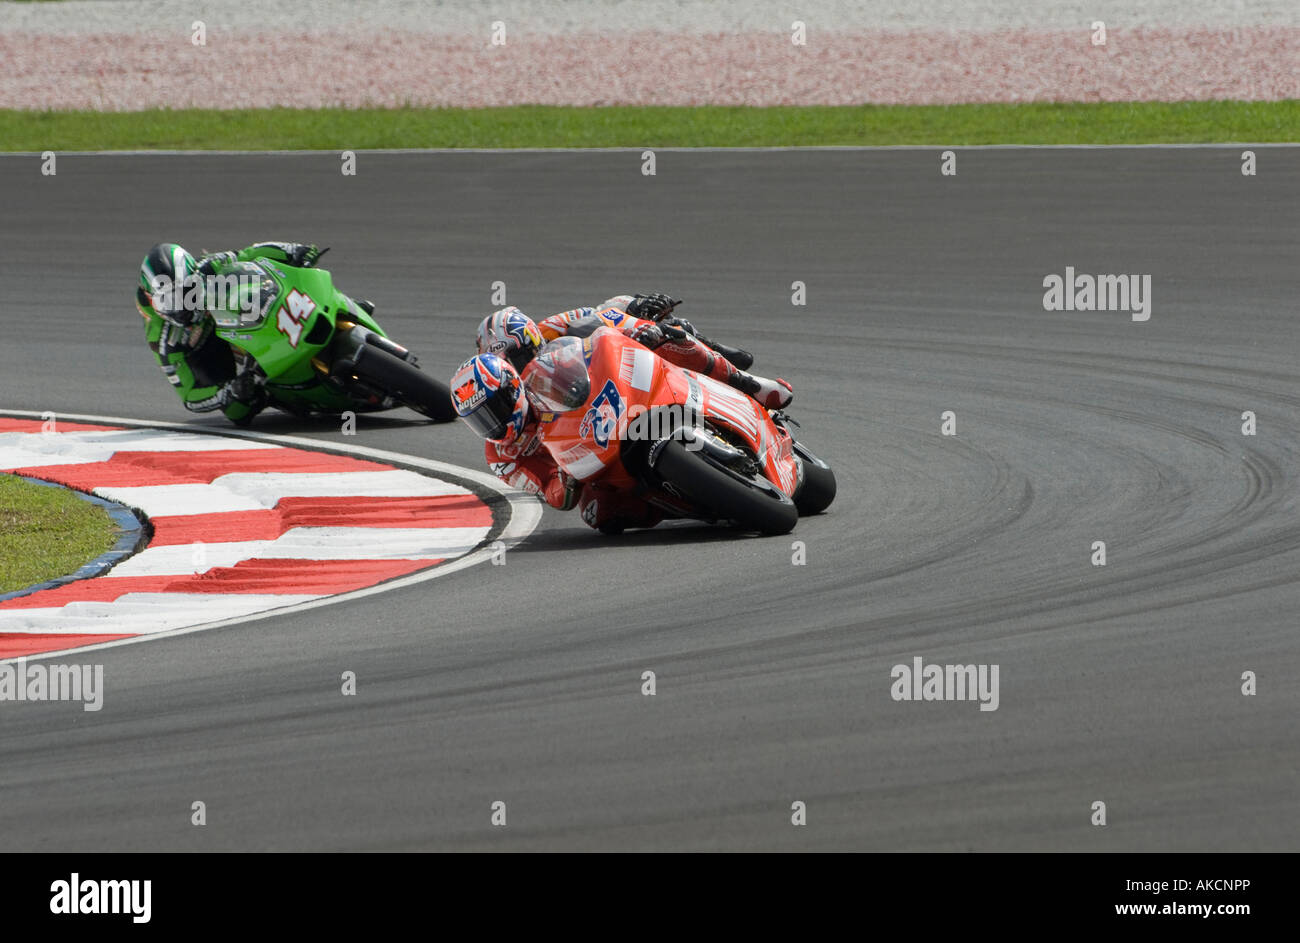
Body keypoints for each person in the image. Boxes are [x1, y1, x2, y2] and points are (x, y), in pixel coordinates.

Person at [475, 293, 793, 410]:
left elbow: (598, 314)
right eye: (510, 364)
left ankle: (747, 383)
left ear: (531, 334)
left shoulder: (550, 327)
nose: (519, 366)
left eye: (519, 355)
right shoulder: (512, 400)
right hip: (588, 421)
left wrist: (635, 319)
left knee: (660, 328)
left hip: (612, 369)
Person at [135, 240, 327, 425]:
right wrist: (226, 392)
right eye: (168, 301)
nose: (182, 307)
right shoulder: (163, 339)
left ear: (194, 277)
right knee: (238, 411)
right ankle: (279, 393)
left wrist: (292, 251)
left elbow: (249, 254)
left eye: (188, 292)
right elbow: (189, 396)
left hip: (227, 317)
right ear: (150, 298)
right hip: (206, 352)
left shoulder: (206, 268)